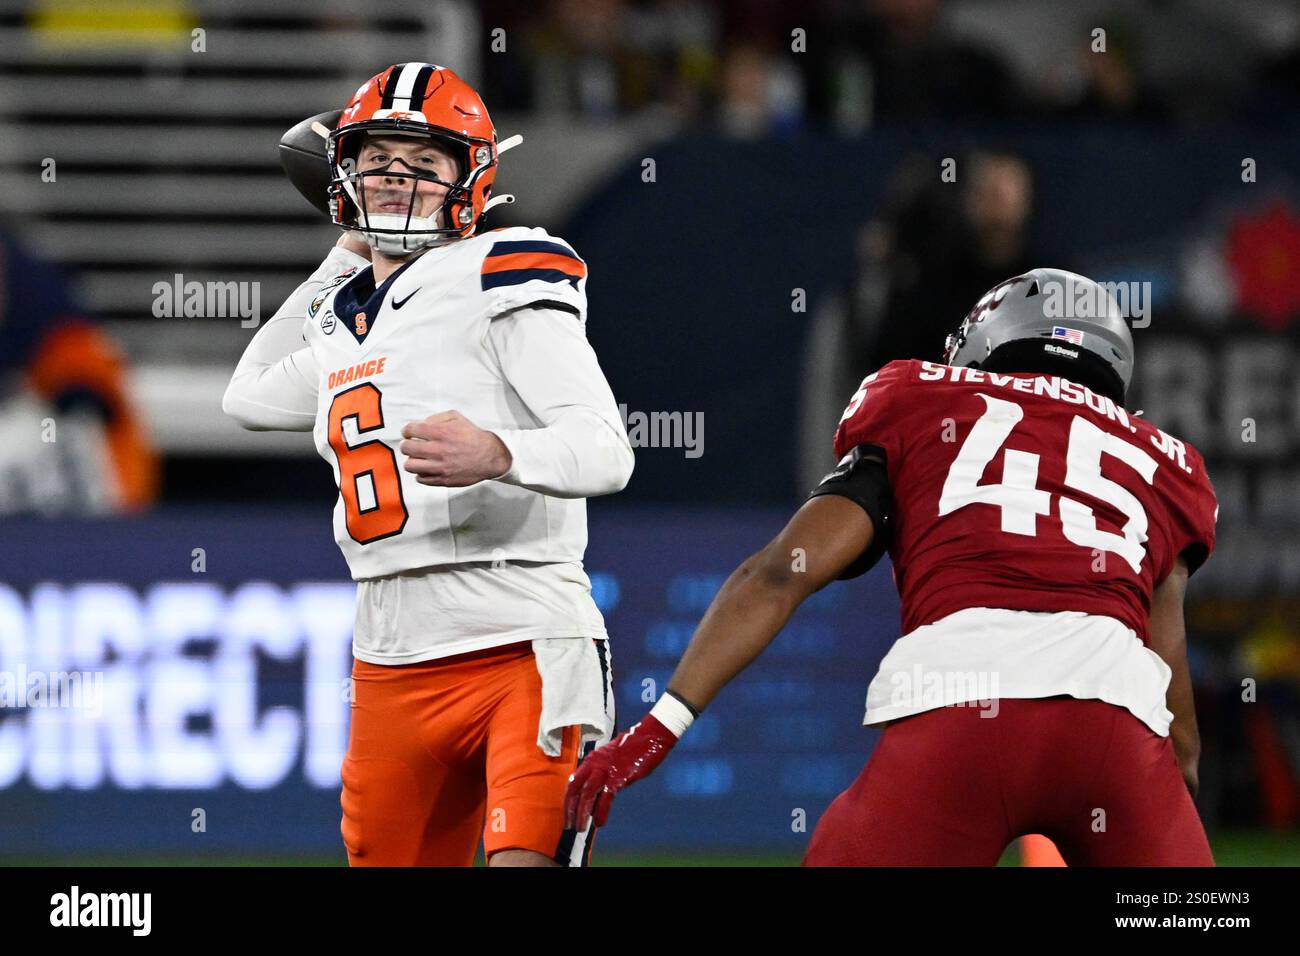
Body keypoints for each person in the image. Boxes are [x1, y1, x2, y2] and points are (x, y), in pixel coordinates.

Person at [567, 269, 1217, 866]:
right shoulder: (1161, 459)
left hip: (960, 713)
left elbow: (781, 573)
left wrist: (658, 728)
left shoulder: (919, 396)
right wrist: (1166, 799)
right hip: (1115, 727)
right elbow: (1169, 668)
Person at [223, 63, 633, 866]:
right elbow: (248, 396)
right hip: (388, 655)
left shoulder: (503, 268)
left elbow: (607, 450)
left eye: (423, 164)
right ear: (343, 174)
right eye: (377, 162)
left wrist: (501, 452)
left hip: (523, 633)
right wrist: (342, 258)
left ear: (470, 178)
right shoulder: (345, 318)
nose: (397, 182)